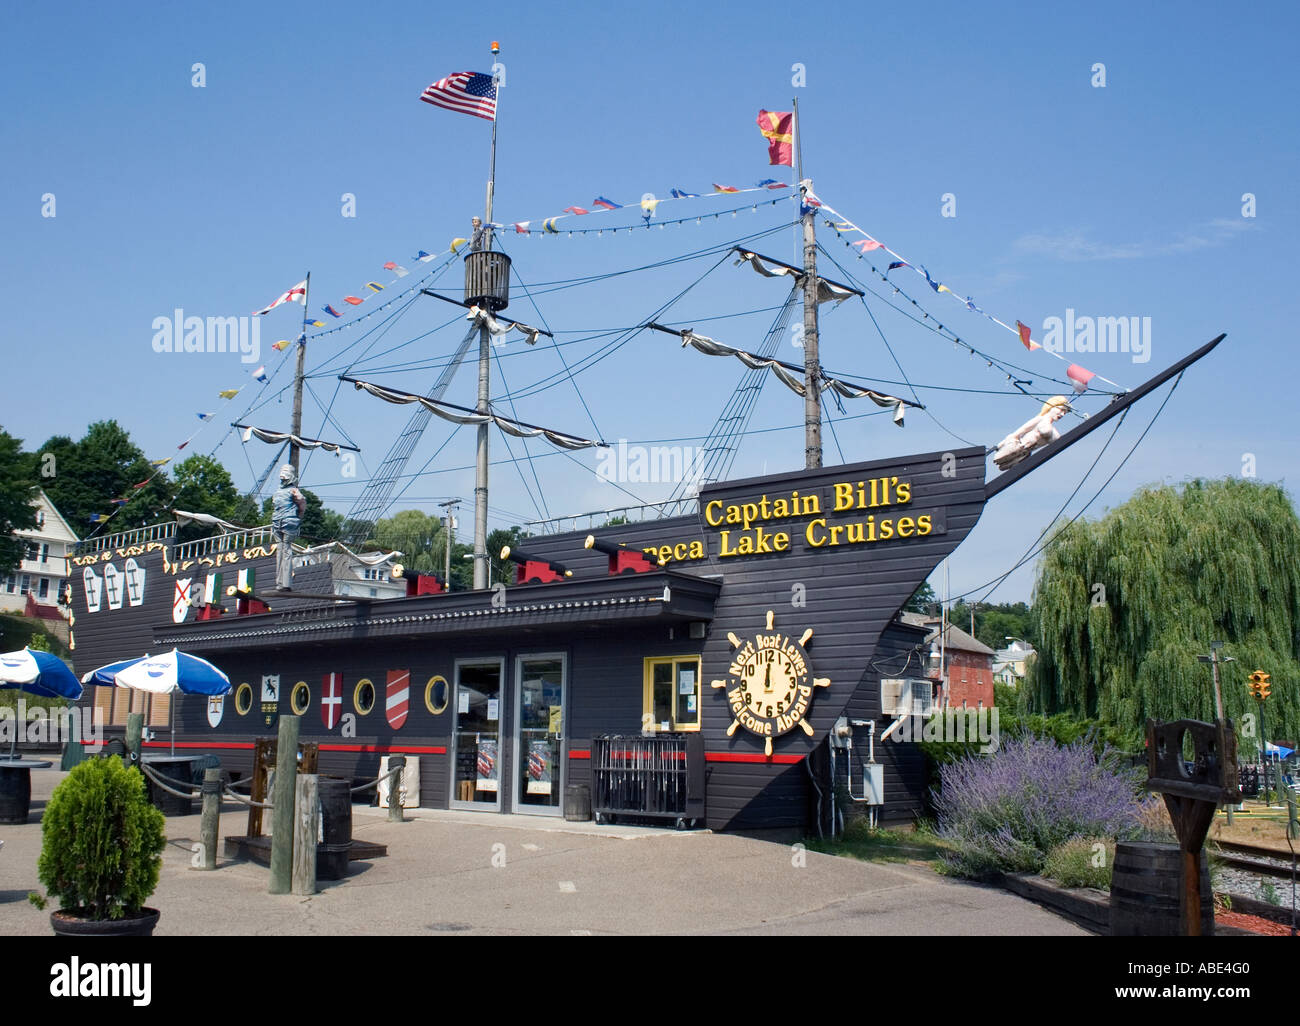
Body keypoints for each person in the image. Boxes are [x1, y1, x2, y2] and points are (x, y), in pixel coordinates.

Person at [993, 396, 1070, 470]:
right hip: (1016, 447)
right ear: (1051, 406)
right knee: (999, 460)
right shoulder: (1040, 419)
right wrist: (1002, 443)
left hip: (1024, 455)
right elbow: (1022, 430)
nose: (1062, 414)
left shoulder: (1054, 432)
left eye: (1065, 413)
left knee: (1005, 468)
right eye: (1061, 410)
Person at [270, 464, 306, 590]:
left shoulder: (277, 492)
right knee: (286, 551)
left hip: (276, 522)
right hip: (288, 522)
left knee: (280, 551)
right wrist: (300, 514)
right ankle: (285, 583)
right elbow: (301, 501)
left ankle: (279, 583)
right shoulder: (293, 490)